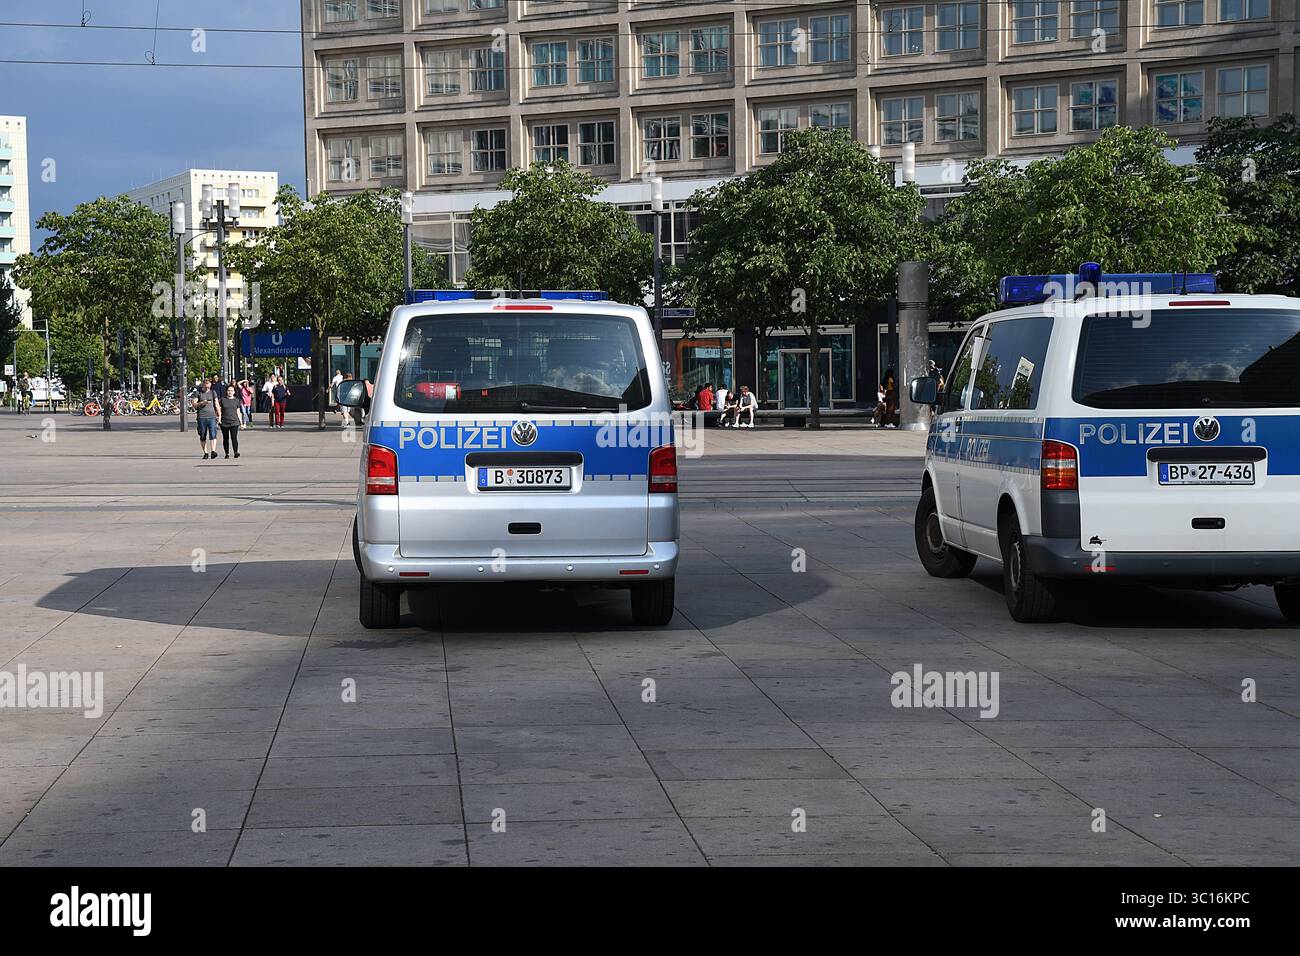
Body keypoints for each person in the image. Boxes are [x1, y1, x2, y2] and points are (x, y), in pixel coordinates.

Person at [191, 380, 219, 459]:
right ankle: (205, 452)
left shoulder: (213, 393)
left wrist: (219, 415)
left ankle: (213, 451)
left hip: (212, 417)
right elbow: (194, 404)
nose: (207, 385)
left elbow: (216, 404)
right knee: (202, 435)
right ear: (203, 384)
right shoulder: (198, 393)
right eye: (206, 383)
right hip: (202, 417)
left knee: (213, 434)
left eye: (208, 383)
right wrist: (202, 403)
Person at [218, 384, 243, 459]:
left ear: (234, 392)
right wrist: (218, 419)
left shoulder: (237, 400)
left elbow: (238, 412)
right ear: (226, 391)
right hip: (224, 422)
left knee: (234, 437)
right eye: (228, 390)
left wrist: (241, 422)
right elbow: (219, 411)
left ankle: (236, 452)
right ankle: (227, 453)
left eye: (232, 390)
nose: (230, 392)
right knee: (225, 438)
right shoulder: (222, 400)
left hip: (234, 422)